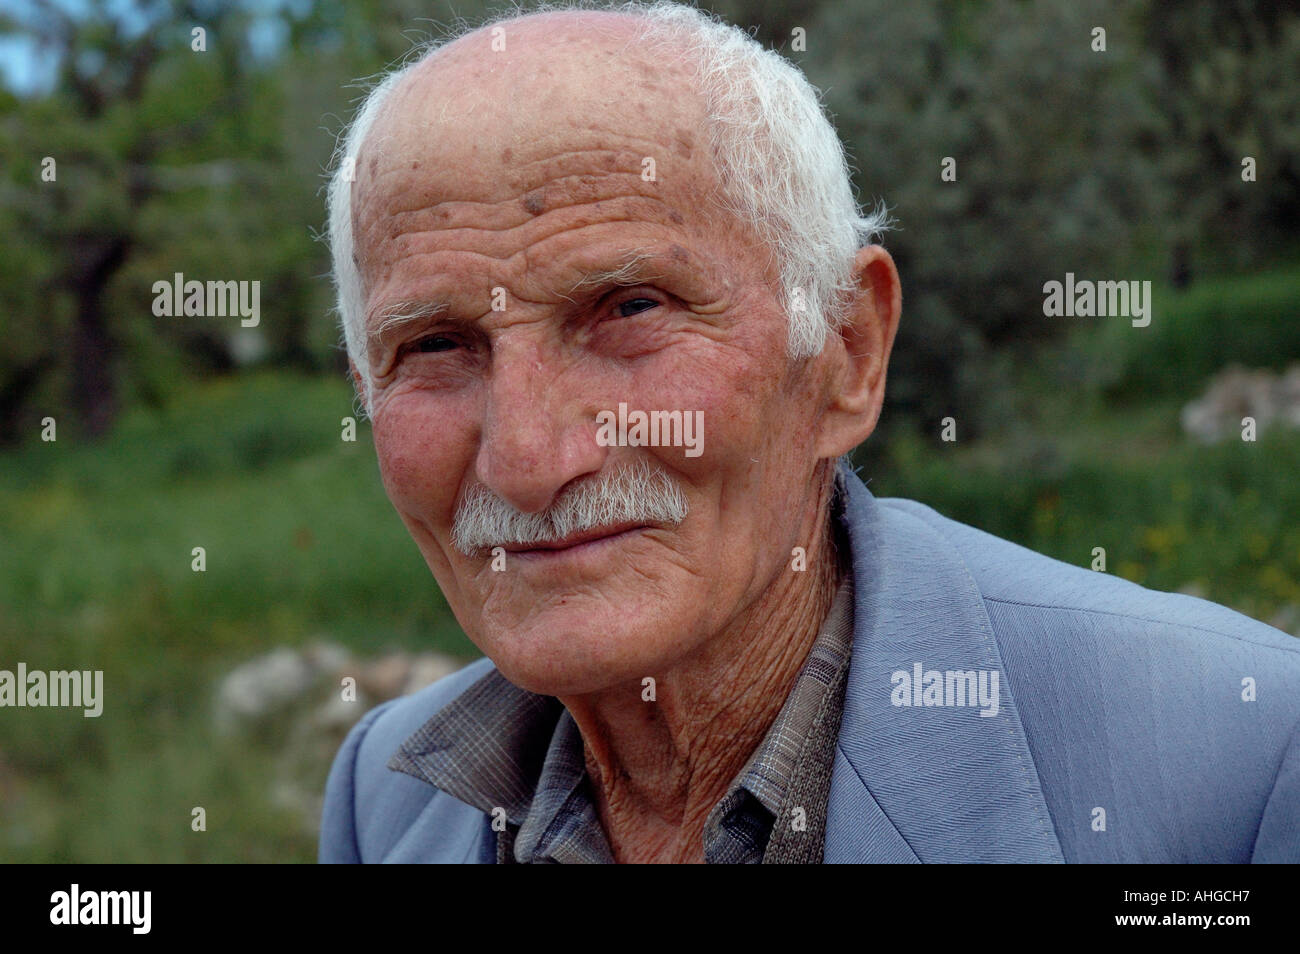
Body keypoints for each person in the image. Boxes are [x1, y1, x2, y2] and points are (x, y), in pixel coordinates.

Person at [319, 1, 1300, 863]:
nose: (527, 461)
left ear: (846, 353)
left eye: (628, 310)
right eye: (436, 343)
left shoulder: (1242, 755)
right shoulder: (386, 801)